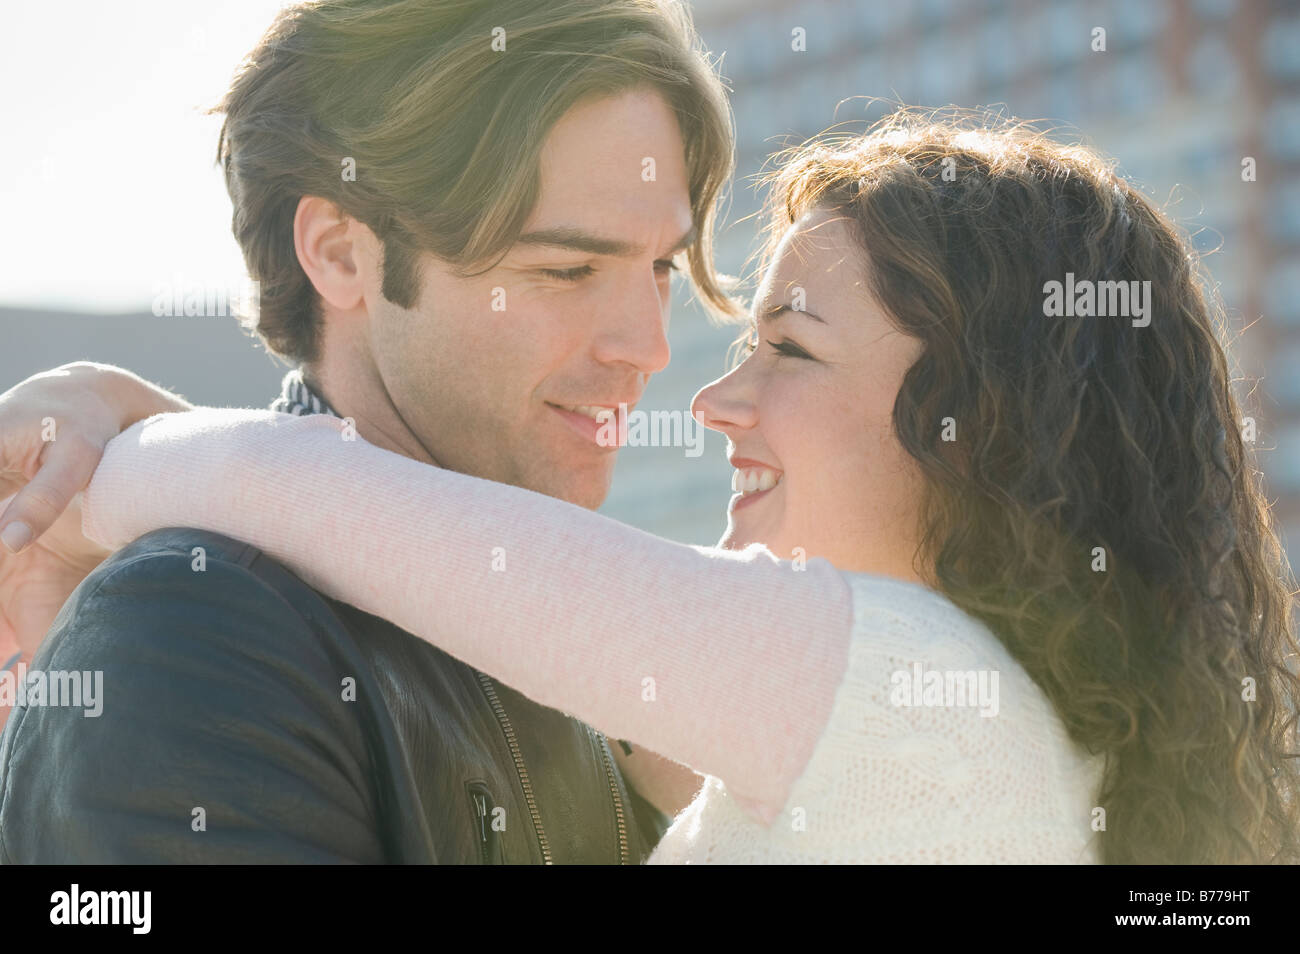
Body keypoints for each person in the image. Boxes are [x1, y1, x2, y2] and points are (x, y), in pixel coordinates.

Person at [6, 112, 1298, 863]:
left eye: (790, 350)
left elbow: (318, 496)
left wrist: (100, 449)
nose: (721, 402)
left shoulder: (891, 687)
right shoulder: (993, 739)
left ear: (977, 429)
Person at [0, 0, 740, 863]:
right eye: (566, 269)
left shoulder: (580, 651)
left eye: (658, 266)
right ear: (341, 254)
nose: (648, 347)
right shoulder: (191, 637)